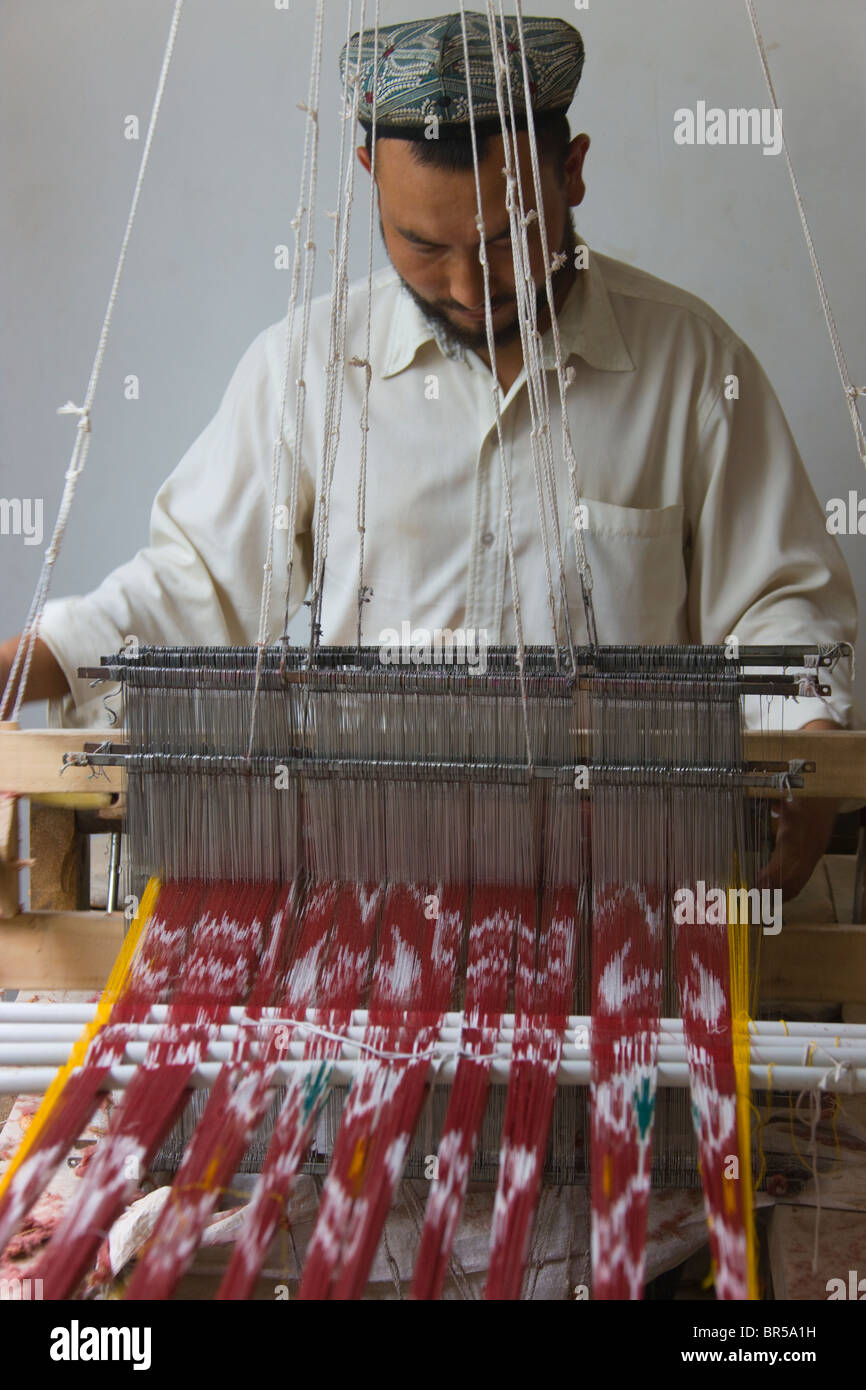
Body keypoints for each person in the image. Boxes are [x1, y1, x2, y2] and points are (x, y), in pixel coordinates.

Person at [0, 12, 857, 901]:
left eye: (501, 242)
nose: (465, 285)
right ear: (370, 178)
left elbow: (779, 604)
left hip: (627, 908)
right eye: (422, 245)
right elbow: (194, 585)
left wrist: (813, 740)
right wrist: (34, 660)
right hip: (364, 908)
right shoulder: (306, 373)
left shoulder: (694, 368)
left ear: (573, 172)